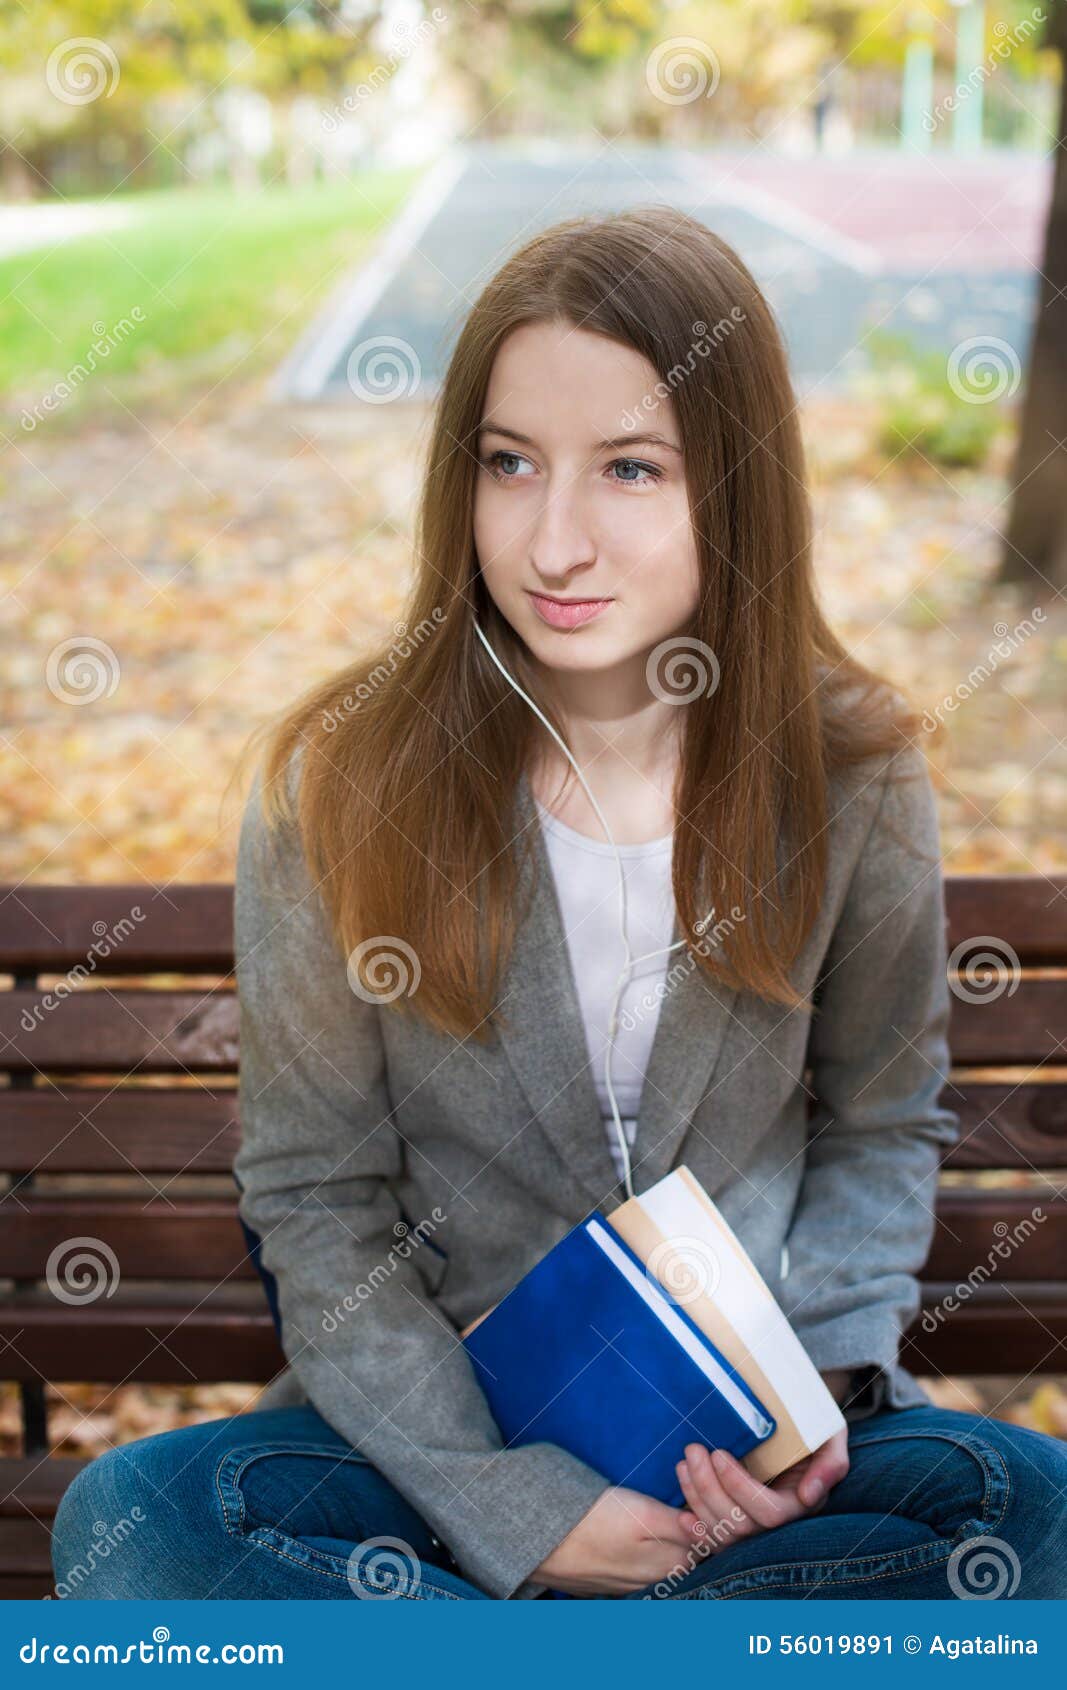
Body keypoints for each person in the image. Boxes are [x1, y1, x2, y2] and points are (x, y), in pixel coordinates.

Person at [51, 207, 1067, 1601]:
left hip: (755, 1481)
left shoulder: (854, 776)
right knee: (144, 1520)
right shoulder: (338, 783)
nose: (555, 538)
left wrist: (811, 1400)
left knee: (1033, 1506)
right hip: (434, 1462)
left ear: (736, 483)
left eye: (630, 469)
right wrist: (522, 1513)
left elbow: (885, 1122)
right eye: (510, 463)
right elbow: (320, 1200)